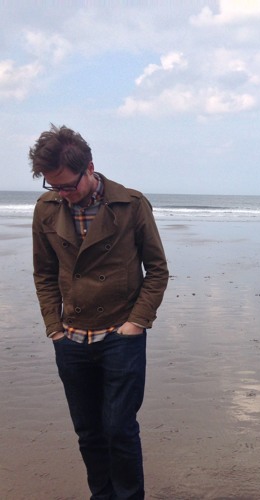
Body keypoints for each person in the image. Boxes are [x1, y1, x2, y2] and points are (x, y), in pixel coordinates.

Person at [30, 125, 169, 499]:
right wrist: (54, 328)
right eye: (53, 186)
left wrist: (136, 323)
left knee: (119, 429)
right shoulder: (46, 209)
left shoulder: (131, 204)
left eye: (68, 185)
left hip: (120, 335)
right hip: (71, 338)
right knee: (89, 433)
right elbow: (44, 273)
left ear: (89, 167)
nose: (62, 194)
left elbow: (157, 270)